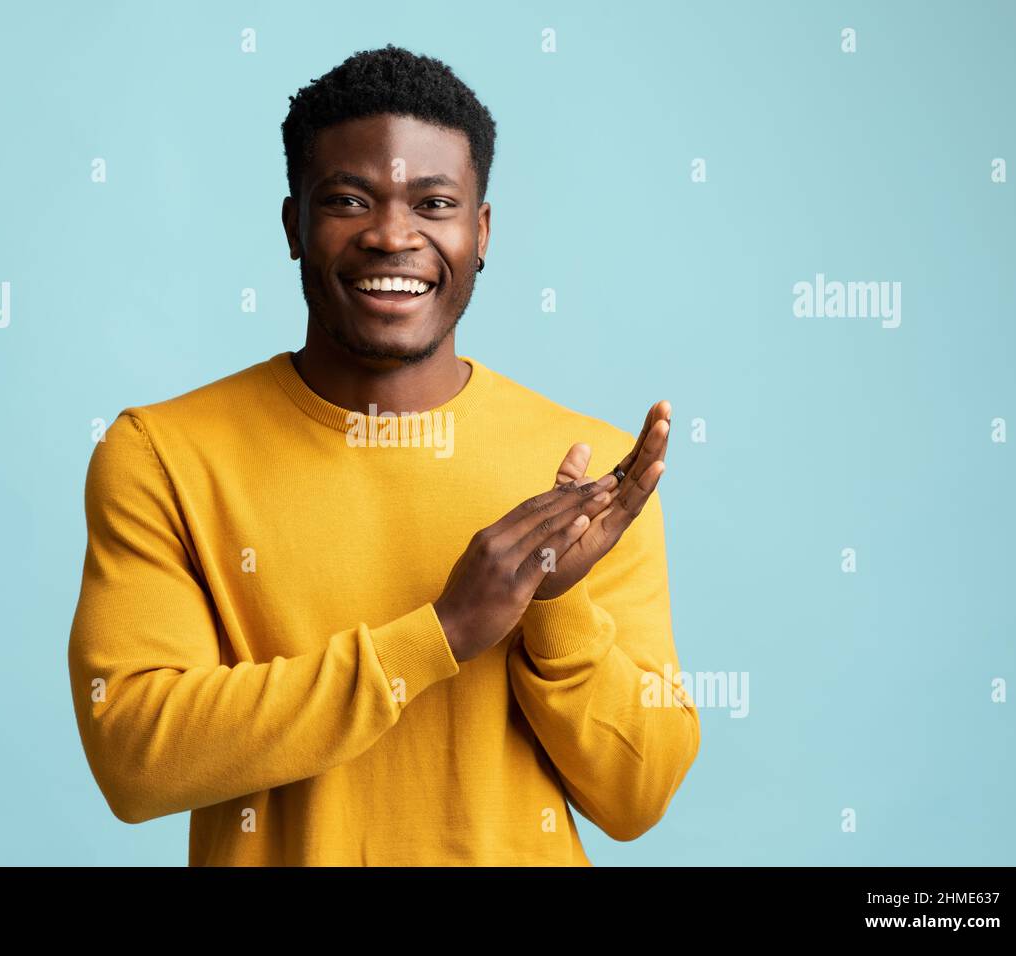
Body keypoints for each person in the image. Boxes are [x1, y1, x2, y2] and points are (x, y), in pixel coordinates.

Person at [67, 43, 699, 866]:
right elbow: (135, 755)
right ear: (294, 225)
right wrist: (441, 634)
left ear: (481, 232)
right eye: (350, 199)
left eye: (434, 203)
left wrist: (553, 604)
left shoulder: (589, 478)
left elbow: (638, 793)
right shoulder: (160, 456)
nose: (392, 235)